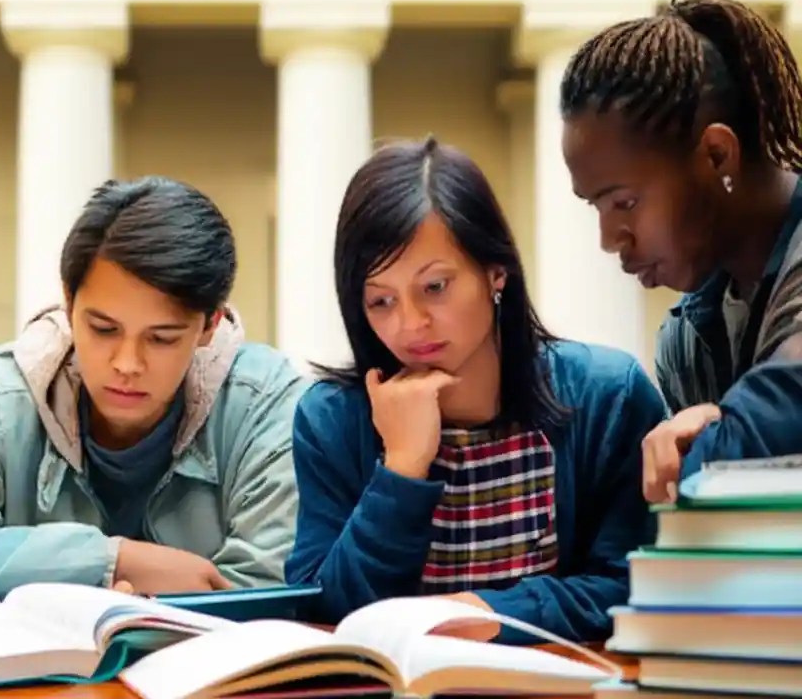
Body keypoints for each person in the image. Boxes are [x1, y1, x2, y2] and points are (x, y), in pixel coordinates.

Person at [285, 138, 667, 643]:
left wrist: (488, 612)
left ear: (495, 272)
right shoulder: (331, 417)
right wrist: (401, 468)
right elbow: (324, 607)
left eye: (435, 287)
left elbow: (635, 584)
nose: (410, 324)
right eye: (380, 300)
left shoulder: (608, 395)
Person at [0, 176, 306, 597]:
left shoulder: (265, 402)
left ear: (210, 324)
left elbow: (266, 587)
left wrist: (138, 617)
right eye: (103, 329)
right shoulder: (4, 394)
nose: (127, 364)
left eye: (162, 338)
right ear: (68, 302)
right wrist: (108, 560)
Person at [559, 0, 802, 502]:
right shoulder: (686, 343)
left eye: (623, 201)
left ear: (716, 155)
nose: (609, 240)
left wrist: (718, 431)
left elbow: (753, 441)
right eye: (594, 207)